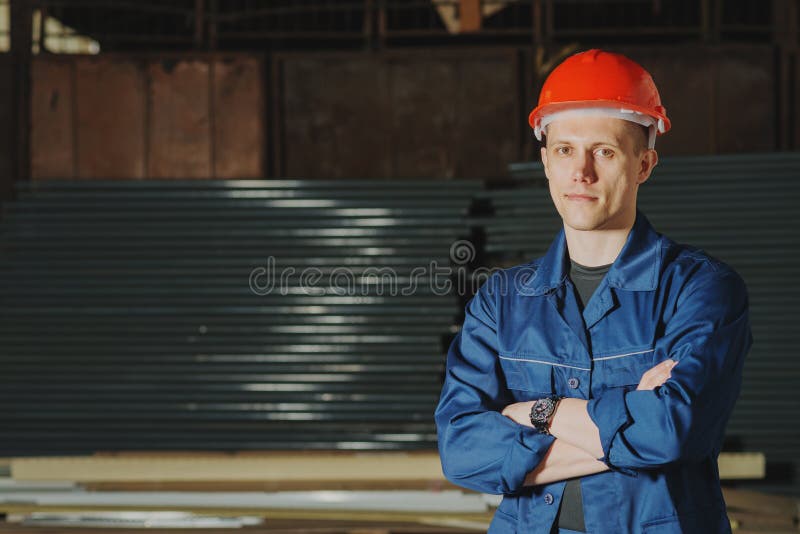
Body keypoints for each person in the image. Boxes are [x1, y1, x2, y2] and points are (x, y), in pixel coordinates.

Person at [434, 49, 753, 534]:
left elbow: (670, 431)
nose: (580, 171)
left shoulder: (702, 289)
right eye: (564, 150)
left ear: (644, 164)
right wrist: (627, 428)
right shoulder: (502, 301)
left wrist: (539, 412)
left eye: (604, 151)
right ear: (545, 162)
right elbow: (461, 451)